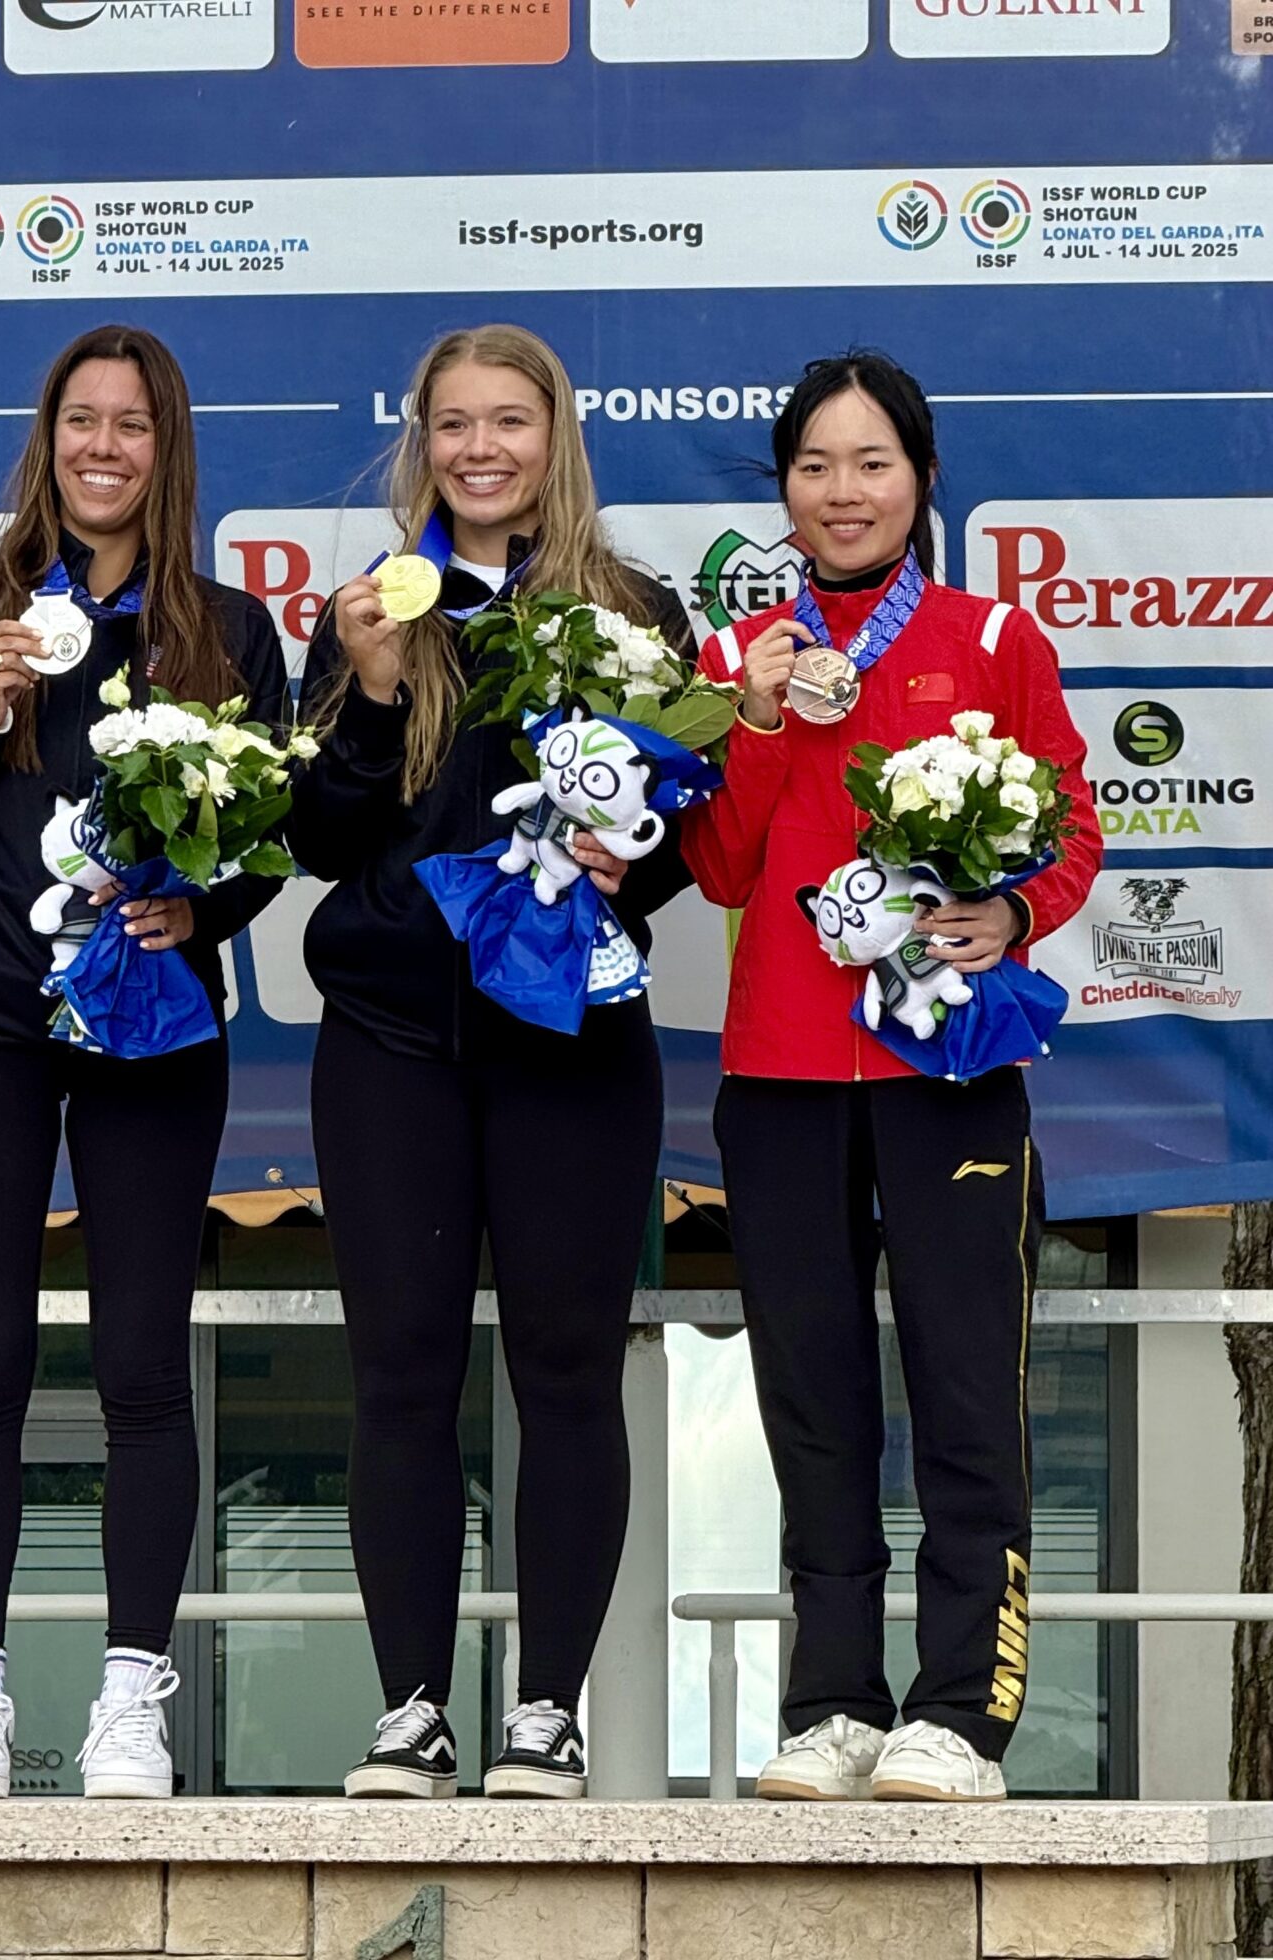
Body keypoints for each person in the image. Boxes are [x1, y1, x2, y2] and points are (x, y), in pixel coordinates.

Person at [0, 324, 287, 1801]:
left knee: (138, 1369)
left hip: (154, 1032)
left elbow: (264, 848)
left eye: (133, 426)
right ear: (48, 440)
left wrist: (202, 906)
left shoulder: (229, 629)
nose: (103, 448)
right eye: (80, 423)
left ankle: (128, 1705)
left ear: (168, 450)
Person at [682, 351, 1101, 1803]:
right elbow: (720, 866)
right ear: (782, 491)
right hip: (783, 1073)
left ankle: (960, 1717)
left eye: (872, 464)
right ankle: (835, 1702)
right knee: (813, 1400)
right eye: (814, 467)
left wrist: (1015, 912)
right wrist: (747, 724)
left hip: (950, 1068)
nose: (843, 492)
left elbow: (1071, 824)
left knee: (967, 1386)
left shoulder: (991, 634)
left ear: (920, 478)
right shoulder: (747, 658)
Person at [287, 324, 693, 1800]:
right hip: (392, 1043)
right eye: (452, 423)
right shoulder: (368, 610)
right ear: (420, 444)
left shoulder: (633, 611)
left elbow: (683, 843)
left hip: (571, 1047)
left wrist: (621, 854)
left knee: (568, 1371)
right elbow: (313, 840)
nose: (479, 449)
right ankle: (410, 1711)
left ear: (553, 437)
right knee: (398, 1376)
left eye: (508, 421)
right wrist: (379, 690)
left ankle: (546, 1713)